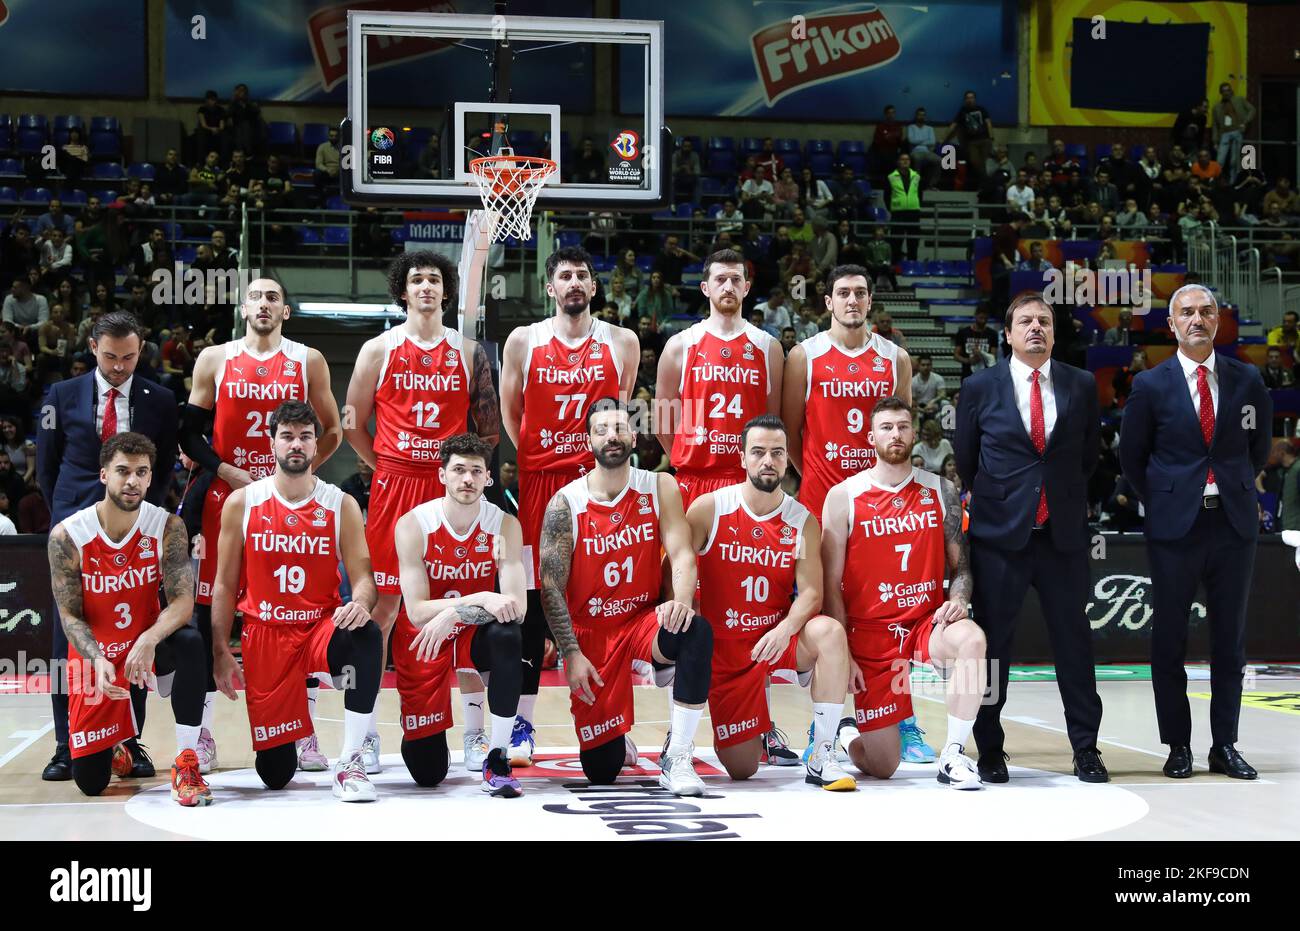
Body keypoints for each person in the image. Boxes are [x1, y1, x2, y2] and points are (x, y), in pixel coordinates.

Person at [344, 251, 499, 771]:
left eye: (434, 279)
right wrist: (385, 464)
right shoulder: (376, 349)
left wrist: (464, 476)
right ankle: (364, 734)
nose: (426, 287)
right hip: (396, 488)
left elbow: (489, 429)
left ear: (446, 290)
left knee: (468, 609)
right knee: (385, 609)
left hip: (454, 491)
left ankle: (477, 734)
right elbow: (351, 423)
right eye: (417, 279)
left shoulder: (470, 351)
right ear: (403, 291)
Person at [181, 276, 341, 774]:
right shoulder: (215, 358)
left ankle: (304, 732)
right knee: (209, 608)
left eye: (274, 297)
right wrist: (226, 471)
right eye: (257, 296)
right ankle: (202, 734)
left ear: (286, 311)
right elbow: (188, 432)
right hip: (223, 499)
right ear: (243, 306)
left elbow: (333, 428)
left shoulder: (306, 359)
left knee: (300, 611)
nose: (265, 303)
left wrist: (299, 476)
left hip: (287, 503)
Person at [1119, 284, 1272, 780]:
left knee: (1230, 641)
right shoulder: (1149, 384)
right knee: (1169, 639)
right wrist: (1167, 499)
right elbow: (1132, 458)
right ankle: (1178, 745)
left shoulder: (1247, 379)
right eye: (1187, 312)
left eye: (1206, 311)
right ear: (1172, 324)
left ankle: (1224, 745)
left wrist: (1229, 488)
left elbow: (1258, 447)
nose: (1197, 319)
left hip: (1232, 523)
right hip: (1174, 527)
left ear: (1219, 321)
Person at [955, 292, 1107, 783]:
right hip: (1000, 539)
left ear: (1054, 332)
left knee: (1075, 647)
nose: (1036, 327)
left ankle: (1086, 749)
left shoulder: (1081, 384)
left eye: (1044, 320)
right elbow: (967, 460)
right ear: (1009, 333)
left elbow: (1088, 457)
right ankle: (991, 749)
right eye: (1025, 321)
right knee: (993, 649)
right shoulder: (980, 386)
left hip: (1062, 537)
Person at [499, 246, 639, 767]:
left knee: (603, 597)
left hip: (598, 483)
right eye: (565, 276)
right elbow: (513, 415)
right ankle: (523, 724)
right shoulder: (523, 340)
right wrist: (541, 457)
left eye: (583, 274)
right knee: (536, 604)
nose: (575, 282)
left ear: (594, 287)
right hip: (541, 486)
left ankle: (614, 720)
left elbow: (617, 416)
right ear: (551, 287)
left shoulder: (621, 341)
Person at [537, 398, 712, 795]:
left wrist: (681, 604)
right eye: (601, 430)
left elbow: (683, 552)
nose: (611, 437)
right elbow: (551, 588)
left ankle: (678, 755)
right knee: (602, 769)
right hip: (591, 632)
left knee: (695, 631)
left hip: (641, 621)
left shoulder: (659, 485)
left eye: (619, 428)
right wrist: (571, 654)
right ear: (589, 441)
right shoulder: (566, 503)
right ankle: (615, 733)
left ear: (633, 434)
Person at [211, 400, 383, 801]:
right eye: (287, 436)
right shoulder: (243, 503)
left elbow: (365, 580)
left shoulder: (340, 503)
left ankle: (351, 760)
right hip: (265, 633)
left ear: (316, 446)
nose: (296, 444)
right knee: (275, 773)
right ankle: (296, 736)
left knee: (367, 634)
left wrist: (359, 602)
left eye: (305, 437)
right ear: (271, 443)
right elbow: (223, 584)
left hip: (319, 630)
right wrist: (221, 647)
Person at [36, 312, 178, 782]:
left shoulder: (159, 398)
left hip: (134, 532)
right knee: (68, 638)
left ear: (142, 352)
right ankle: (65, 744)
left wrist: (142, 524)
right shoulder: (61, 395)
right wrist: (71, 519)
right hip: (78, 532)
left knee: (133, 634)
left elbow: (156, 471)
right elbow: (47, 469)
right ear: (94, 347)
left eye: (130, 357)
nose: (120, 366)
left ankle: (128, 741)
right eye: (111, 356)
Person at [822, 396, 988, 788]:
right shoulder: (844, 496)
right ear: (870, 437)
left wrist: (959, 599)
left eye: (902, 426)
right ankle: (848, 736)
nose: (895, 434)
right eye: (886, 427)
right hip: (870, 634)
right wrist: (844, 650)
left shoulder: (941, 491)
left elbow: (960, 566)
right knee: (883, 766)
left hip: (924, 622)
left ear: (913, 433)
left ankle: (953, 754)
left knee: (972, 640)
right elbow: (831, 585)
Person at [687, 414, 855, 789]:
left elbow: (812, 591)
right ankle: (698, 737)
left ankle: (823, 754)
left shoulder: (802, 520)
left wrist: (785, 629)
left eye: (777, 453)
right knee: (742, 769)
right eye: (759, 452)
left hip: (776, 640)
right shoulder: (709, 508)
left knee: (828, 632)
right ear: (742, 457)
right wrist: (684, 604)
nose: (769, 461)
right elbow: (676, 566)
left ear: (786, 459)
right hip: (727, 653)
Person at [46, 433, 209, 804]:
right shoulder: (68, 536)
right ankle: (117, 745)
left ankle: (188, 760)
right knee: (90, 782)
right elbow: (69, 615)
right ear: (103, 475)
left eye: (141, 472)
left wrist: (149, 639)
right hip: (97, 655)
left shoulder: (167, 527)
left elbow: (184, 602)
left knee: (188, 642)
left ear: (151, 478)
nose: (132, 481)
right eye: (122, 471)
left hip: (144, 647)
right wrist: (96, 657)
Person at [394, 433, 526, 796]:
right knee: (427, 772)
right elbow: (418, 611)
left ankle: (495, 754)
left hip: (469, 630)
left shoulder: (504, 526)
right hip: (425, 638)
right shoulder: (413, 525)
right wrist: (483, 596)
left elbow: (517, 605)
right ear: (442, 475)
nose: (467, 479)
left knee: (508, 635)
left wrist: (457, 615)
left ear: (488, 478)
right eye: (458, 470)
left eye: (476, 471)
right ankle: (431, 737)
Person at [656, 248, 783, 510]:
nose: (728, 287)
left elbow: (774, 421)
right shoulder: (680, 345)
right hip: (695, 478)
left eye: (736, 280)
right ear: (705, 287)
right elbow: (662, 422)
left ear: (746, 288)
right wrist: (689, 458)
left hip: (749, 480)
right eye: (720, 280)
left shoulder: (768, 347)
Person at [945, 90, 994, 192]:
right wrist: (944, 139)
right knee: (975, 162)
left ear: (975, 99)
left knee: (984, 163)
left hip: (984, 140)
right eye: (967, 98)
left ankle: (984, 187)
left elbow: (988, 123)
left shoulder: (981, 109)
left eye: (971, 97)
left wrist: (991, 137)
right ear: (965, 100)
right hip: (972, 143)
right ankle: (987, 185)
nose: (969, 100)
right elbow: (953, 126)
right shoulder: (962, 111)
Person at [1211, 82, 1255, 184]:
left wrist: (1245, 122)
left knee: (1234, 161)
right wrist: (1215, 141)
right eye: (1224, 91)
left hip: (1237, 131)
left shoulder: (1239, 100)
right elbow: (1215, 126)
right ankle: (1216, 182)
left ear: (1231, 91)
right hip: (1224, 134)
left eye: (1228, 90)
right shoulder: (1217, 107)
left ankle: (1233, 183)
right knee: (1220, 161)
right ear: (1221, 93)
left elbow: (1252, 109)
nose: (1226, 93)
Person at [953, 305, 998, 380]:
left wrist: (981, 354)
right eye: (981, 318)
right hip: (967, 374)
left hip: (985, 374)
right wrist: (968, 360)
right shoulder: (963, 333)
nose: (983, 321)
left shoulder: (992, 334)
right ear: (975, 316)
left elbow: (993, 356)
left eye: (985, 319)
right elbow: (956, 355)